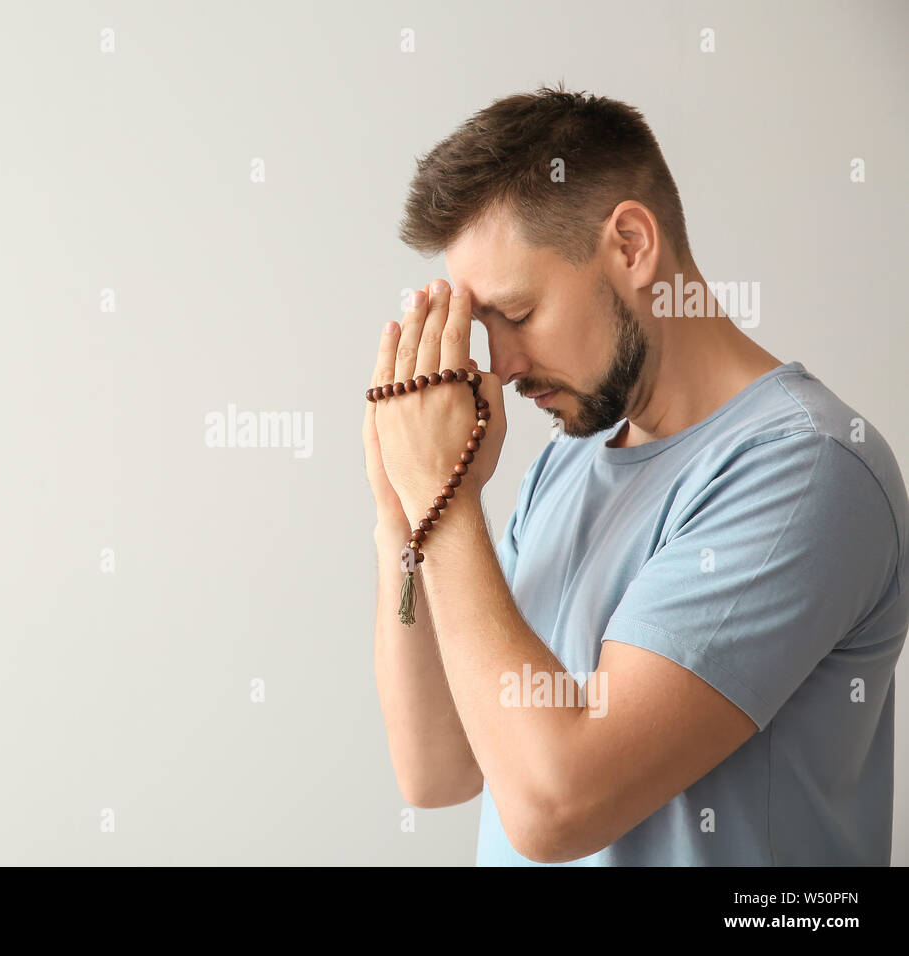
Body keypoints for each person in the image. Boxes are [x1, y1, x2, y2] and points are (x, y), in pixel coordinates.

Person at [365, 85, 908, 865]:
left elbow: (557, 809)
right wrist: (406, 508)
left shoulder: (809, 469)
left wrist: (447, 515)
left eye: (516, 315)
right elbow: (438, 769)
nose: (504, 364)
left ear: (630, 244)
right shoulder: (567, 462)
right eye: (483, 329)